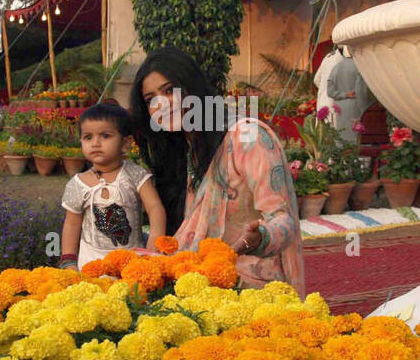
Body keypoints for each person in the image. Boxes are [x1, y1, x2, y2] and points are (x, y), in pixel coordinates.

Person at [131, 47, 305, 294]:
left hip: (254, 286)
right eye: (150, 100)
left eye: (170, 91)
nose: (161, 104)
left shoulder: (247, 137)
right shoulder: (188, 149)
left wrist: (258, 238)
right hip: (202, 281)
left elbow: (284, 219)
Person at [60, 103, 166, 270]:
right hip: (91, 263)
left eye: (105, 136)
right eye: (88, 137)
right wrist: (69, 261)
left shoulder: (135, 175)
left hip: (133, 261)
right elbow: (71, 224)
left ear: (125, 143)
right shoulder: (78, 184)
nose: (95, 143)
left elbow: (155, 208)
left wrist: (155, 241)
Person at [324, 45, 375, 138]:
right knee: (353, 135)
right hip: (355, 106)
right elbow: (361, 90)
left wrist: (343, 95)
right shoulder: (359, 66)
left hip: (339, 107)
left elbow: (329, 91)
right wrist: (366, 106)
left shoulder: (336, 67)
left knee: (341, 135)